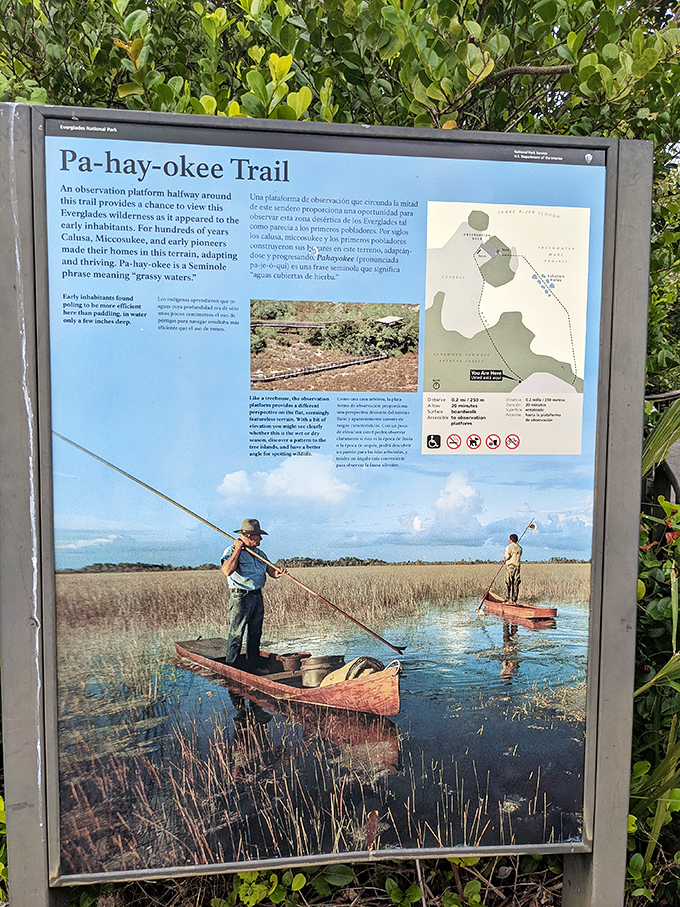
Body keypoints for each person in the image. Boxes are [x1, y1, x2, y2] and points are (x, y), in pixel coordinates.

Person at [221, 519, 286, 666]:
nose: (261, 539)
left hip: (257, 596)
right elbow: (227, 570)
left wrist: (279, 573)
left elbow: (271, 572)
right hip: (241, 597)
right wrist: (238, 549)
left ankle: (252, 665)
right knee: (237, 633)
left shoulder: (260, 553)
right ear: (249, 536)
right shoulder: (231, 551)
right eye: (258, 536)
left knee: (255, 633)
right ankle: (232, 665)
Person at [504, 533, 522, 603]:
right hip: (517, 566)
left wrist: (505, 559)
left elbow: (507, 557)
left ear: (511, 539)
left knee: (508, 582)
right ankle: (514, 600)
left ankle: (509, 599)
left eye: (509, 539)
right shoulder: (520, 548)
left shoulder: (508, 547)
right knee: (516, 583)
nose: (509, 540)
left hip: (510, 566)